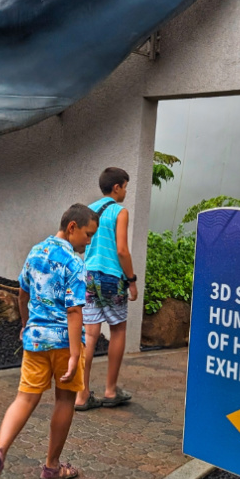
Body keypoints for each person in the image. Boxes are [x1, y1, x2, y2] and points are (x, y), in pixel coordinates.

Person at [0, 203, 98, 479]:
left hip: (36, 340)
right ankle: (52, 467)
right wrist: (74, 354)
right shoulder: (74, 263)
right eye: (88, 234)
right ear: (72, 227)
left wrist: (25, 324)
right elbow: (74, 311)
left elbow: (23, 294)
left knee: (24, 398)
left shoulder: (35, 252)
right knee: (65, 399)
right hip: (65, 343)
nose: (89, 242)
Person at [75, 166, 138, 411]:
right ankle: (111, 391)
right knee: (118, 330)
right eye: (125, 187)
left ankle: (82, 395)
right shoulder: (120, 212)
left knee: (90, 335)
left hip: (89, 275)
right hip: (112, 277)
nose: (126, 192)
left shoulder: (89, 211)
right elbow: (122, 250)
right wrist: (131, 280)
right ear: (116, 187)